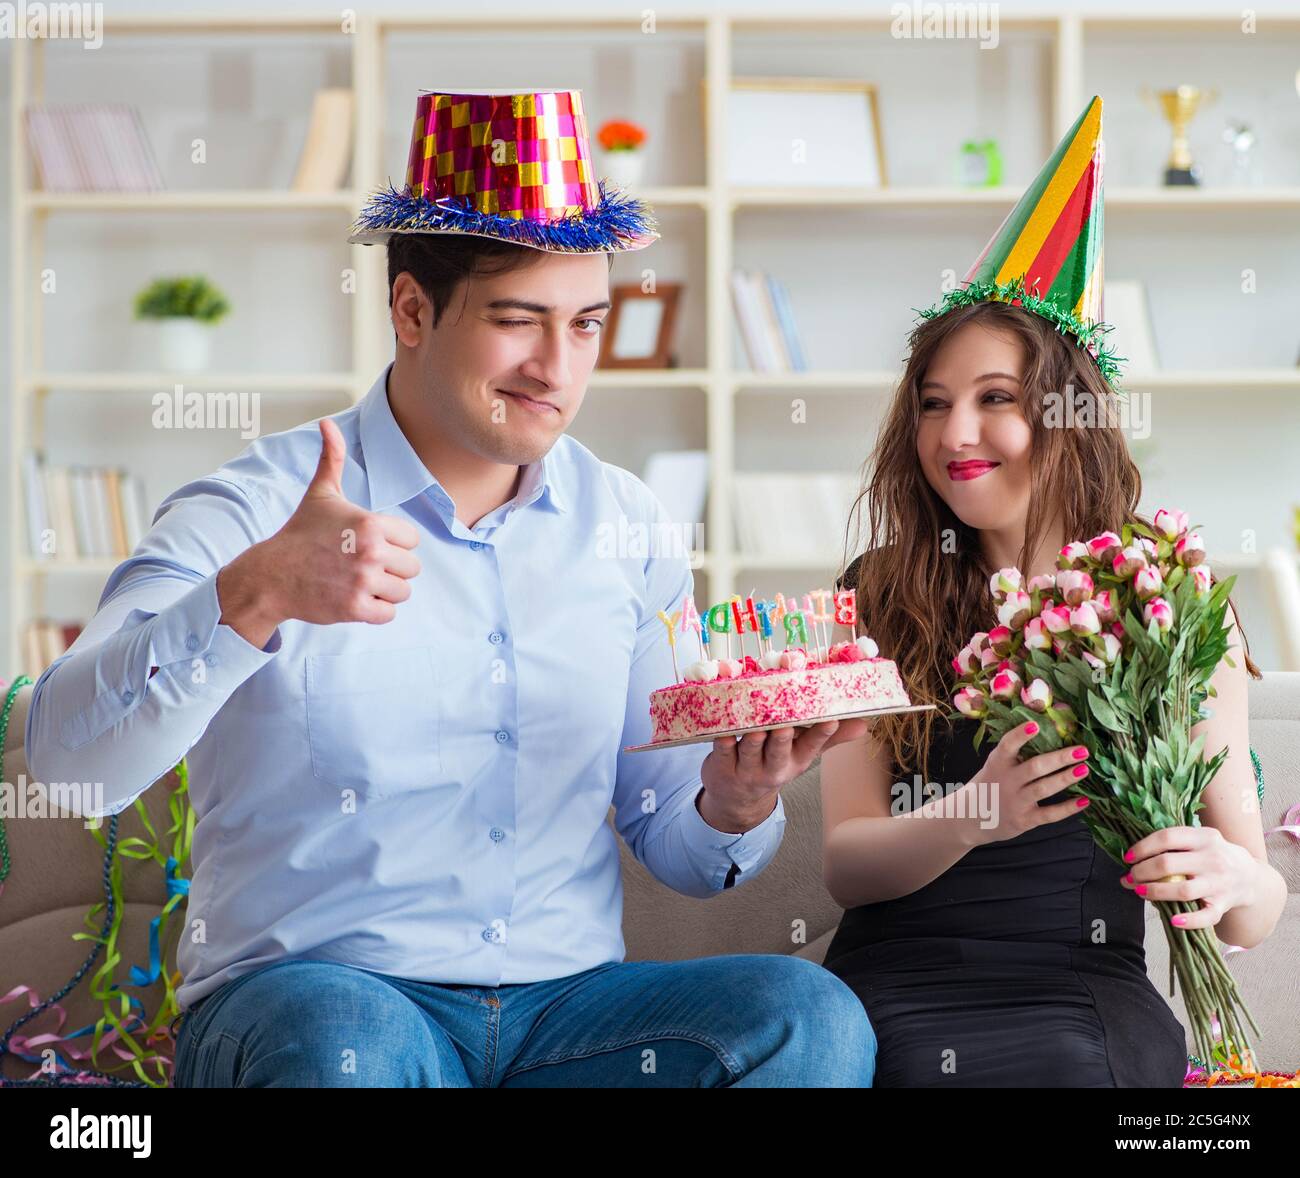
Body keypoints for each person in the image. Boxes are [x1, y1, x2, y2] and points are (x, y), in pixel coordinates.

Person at [25, 89, 874, 1088]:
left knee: (806, 1016)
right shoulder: (254, 508)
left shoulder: (627, 523)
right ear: (412, 309)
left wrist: (734, 797)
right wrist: (250, 593)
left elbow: (671, 838)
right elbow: (63, 750)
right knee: (347, 1036)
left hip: (570, 1015)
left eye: (587, 323)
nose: (557, 368)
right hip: (321, 993)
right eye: (519, 321)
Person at [818, 96, 1285, 1088]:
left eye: (995, 399)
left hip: (1080, 989)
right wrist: (974, 810)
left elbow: (1250, 906)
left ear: (1066, 410)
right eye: (934, 404)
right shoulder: (877, 590)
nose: (954, 435)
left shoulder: (1163, 595)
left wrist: (1228, 873)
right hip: (893, 989)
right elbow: (846, 862)